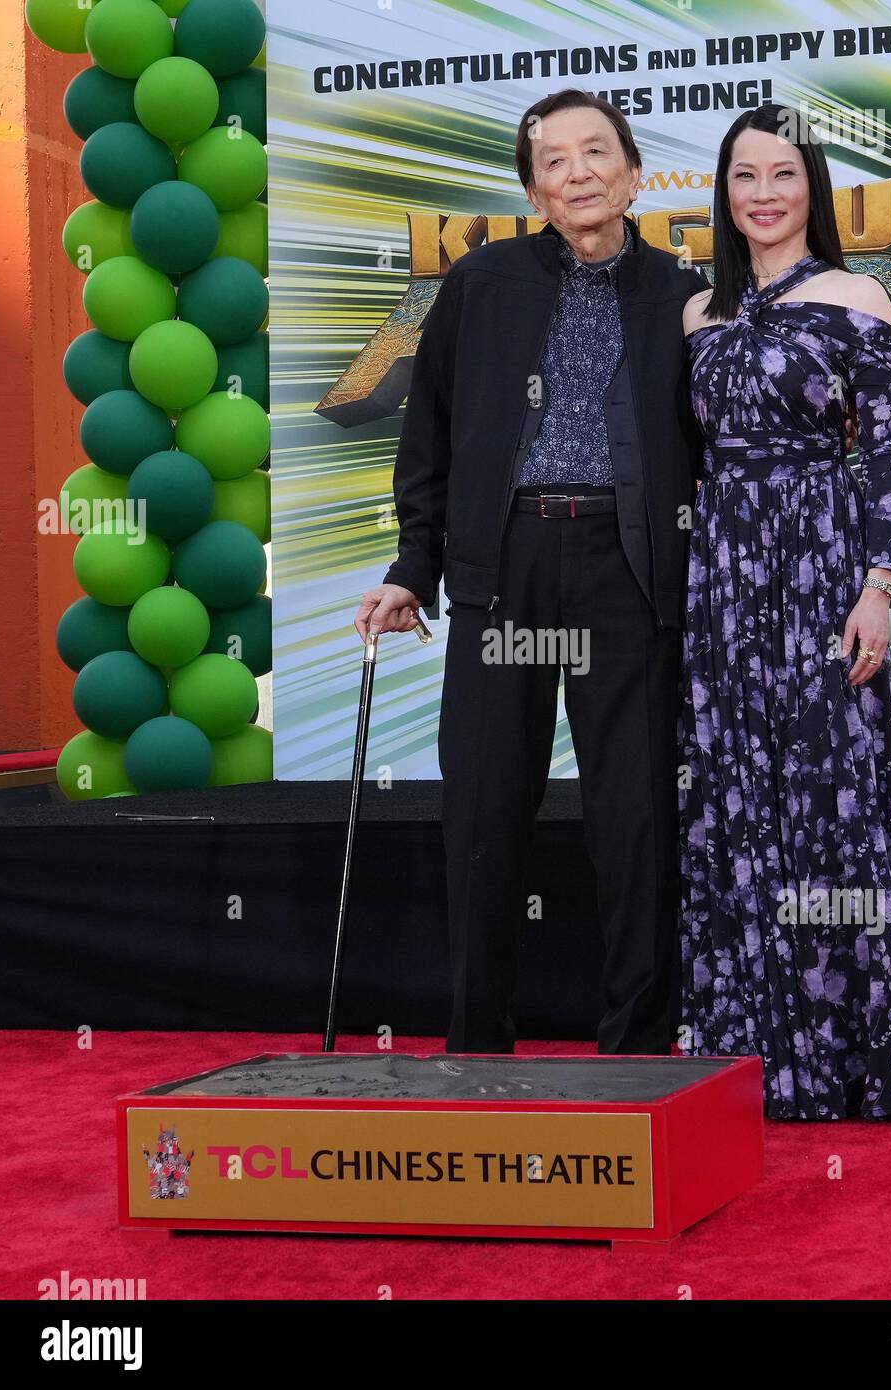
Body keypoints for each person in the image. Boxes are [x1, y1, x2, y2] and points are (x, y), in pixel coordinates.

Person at [356, 89, 709, 1055]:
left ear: (634, 174)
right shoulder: (482, 282)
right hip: (503, 564)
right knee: (483, 804)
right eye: (553, 160)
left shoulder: (684, 294)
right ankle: (475, 1040)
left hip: (628, 569)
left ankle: (639, 1048)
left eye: (597, 153)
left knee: (635, 813)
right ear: (532, 191)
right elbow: (428, 434)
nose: (578, 173)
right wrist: (413, 567)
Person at [679, 104, 891, 1121]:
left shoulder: (859, 296)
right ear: (723, 192)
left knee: (829, 799)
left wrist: (875, 588)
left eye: (783, 174)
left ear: (813, 186)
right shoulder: (695, 314)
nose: (762, 194)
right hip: (721, 577)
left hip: (820, 566)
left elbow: (883, 461)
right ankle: (751, 1054)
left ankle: (854, 1054)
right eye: (744, 175)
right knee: (733, 799)